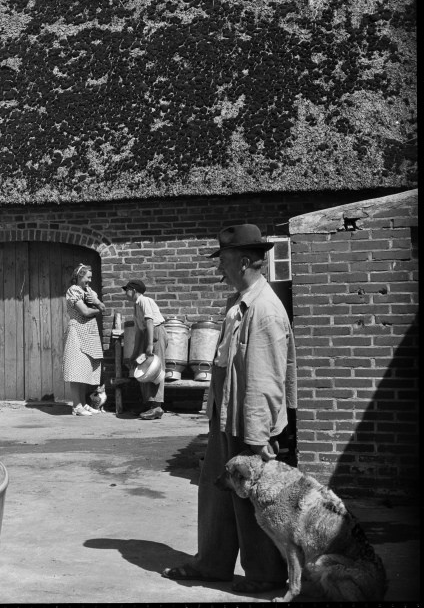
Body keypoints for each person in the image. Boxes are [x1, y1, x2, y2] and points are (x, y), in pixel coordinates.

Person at [162, 224, 297, 595]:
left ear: (245, 262)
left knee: (253, 502)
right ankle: (212, 564)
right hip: (226, 416)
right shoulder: (238, 303)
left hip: (248, 422)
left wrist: (258, 438)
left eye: (223, 260)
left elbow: (266, 381)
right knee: (217, 495)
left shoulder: (264, 311)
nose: (219, 268)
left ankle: (265, 575)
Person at [121, 279, 167, 420]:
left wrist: (150, 345)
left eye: (127, 290)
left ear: (133, 290)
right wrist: (135, 355)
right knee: (142, 366)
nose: (125, 293)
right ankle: (148, 403)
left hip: (155, 333)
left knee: (155, 368)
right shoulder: (136, 306)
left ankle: (157, 406)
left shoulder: (145, 301)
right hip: (147, 335)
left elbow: (149, 321)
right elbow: (139, 332)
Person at [63, 264, 107, 416]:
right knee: (77, 370)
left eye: (91, 278)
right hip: (77, 331)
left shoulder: (89, 292)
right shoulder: (73, 290)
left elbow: (103, 307)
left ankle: (83, 403)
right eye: (88, 277)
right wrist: (98, 309)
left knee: (85, 370)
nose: (90, 280)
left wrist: (97, 302)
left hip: (89, 333)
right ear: (79, 276)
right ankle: (76, 406)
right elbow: (85, 311)